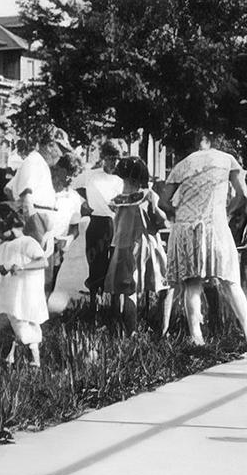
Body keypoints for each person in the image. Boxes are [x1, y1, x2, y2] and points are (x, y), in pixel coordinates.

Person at [159, 132, 247, 345]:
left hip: (186, 227)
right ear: (214, 141)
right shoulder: (227, 159)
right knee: (231, 281)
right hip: (215, 224)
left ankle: (196, 338)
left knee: (192, 284)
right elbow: (243, 195)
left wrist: (178, 214)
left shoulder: (182, 164)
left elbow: (163, 202)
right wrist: (227, 212)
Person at [105, 157, 172, 336]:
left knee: (129, 290)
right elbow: (161, 222)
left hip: (122, 246)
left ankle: (131, 332)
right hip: (146, 245)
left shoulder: (117, 200)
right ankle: (163, 330)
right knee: (166, 286)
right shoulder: (148, 195)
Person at [0, 202, 49, 368]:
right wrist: (0, 268)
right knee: (12, 324)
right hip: (10, 295)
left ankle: (33, 361)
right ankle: (11, 359)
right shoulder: (4, 247)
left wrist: (23, 267)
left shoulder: (27, 242)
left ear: (8, 227)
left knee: (26, 325)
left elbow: (43, 261)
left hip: (26, 293)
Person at [72, 140, 124, 307]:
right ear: (103, 158)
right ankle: (95, 304)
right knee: (95, 263)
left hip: (115, 223)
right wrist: (86, 201)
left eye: (116, 158)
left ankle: (115, 308)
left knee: (115, 264)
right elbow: (74, 186)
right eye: (110, 158)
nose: (113, 162)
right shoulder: (91, 175)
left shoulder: (120, 180)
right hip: (97, 222)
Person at [5, 127, 71, 245]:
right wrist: (33, 226)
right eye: (61, 149)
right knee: (37, 261)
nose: (61, 155)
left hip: (42, 221)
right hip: (37, 223)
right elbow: (26, 197)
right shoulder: (34, 162)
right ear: (50, 145)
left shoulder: (38, 162)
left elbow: (9, 188)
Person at [45, 153, 86, 298]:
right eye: (68, 174)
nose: (71, 179)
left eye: (74, 176)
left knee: (50, 283)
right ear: (59, 170)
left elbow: (75, 229)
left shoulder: (74, 198)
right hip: (39, 241)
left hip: (57, 247)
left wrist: (68, 239)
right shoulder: (45, 190)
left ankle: (42, 317)